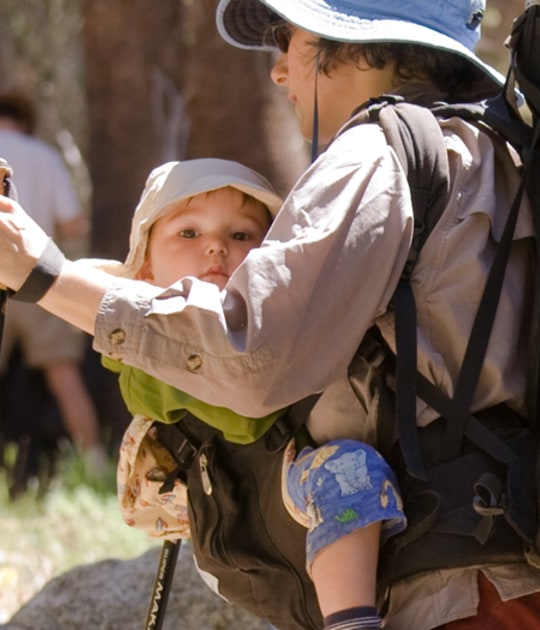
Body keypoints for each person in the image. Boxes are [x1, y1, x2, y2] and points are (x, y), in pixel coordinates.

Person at [0, 1, 540, 628]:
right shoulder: (501, 149)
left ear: (358, 41)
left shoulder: (376, 153)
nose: (279, 66)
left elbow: (253, 352)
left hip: (450, 591)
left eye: (293, 37)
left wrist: (45, 277)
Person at [104, 158, 407, 630]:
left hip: (297, 502)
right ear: (145, 272)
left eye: (242, 236)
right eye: (188, 234)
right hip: (242, 516)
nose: (215, 248)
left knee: (352, 472)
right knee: (349, 472)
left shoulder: (281, 328)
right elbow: (244, 415)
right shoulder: (142, 354)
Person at [0, 92, 104, 471]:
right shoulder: (44, 155)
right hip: (39, 274)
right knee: (62, 371)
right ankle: (93, 464)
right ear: (22, 122)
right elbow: (73, 223)